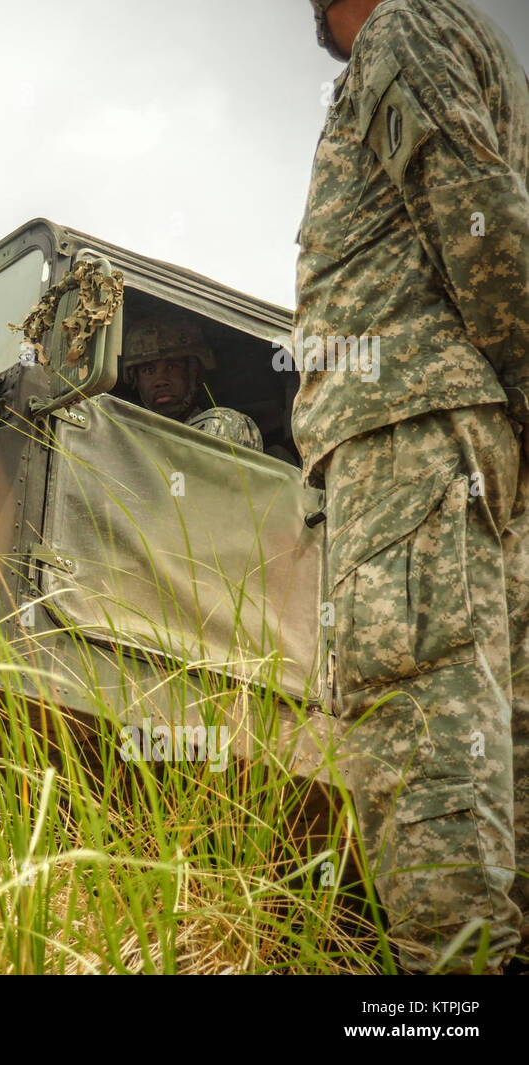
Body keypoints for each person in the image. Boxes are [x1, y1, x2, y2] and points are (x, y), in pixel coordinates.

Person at [297, 0, 529, 973]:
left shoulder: (403, 26)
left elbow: (479, 213)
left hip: (408, 413)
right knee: (494, 731)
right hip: (459, 426)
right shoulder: (479, 49)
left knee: (417, 707)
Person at [124, 314, 264, 450]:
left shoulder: (221, 425)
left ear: (194, 372)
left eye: (172, 367)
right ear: (136, 380)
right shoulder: (126, 437)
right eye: (148, 370)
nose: (160, 381)